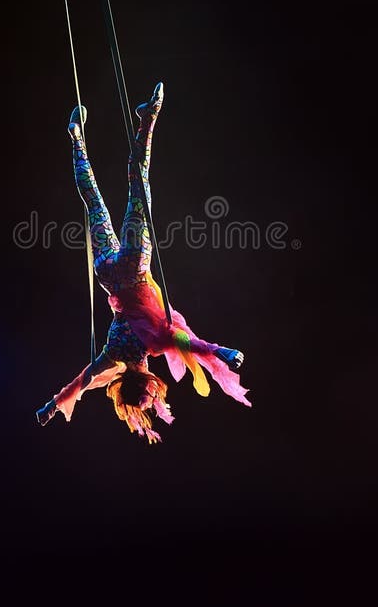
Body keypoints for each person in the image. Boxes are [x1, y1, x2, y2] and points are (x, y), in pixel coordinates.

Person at [35, 82, 250, 444]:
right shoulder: (110, 356)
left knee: (140, 184)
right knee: (93, 202)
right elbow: (82, 382)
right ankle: (75, 137)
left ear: (148, 376)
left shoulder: (154, 343)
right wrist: (51, 406)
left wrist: (224, 352)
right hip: (107, 272)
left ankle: (148, 117)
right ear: (122, 382)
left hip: (134, 267)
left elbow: (192, 343)